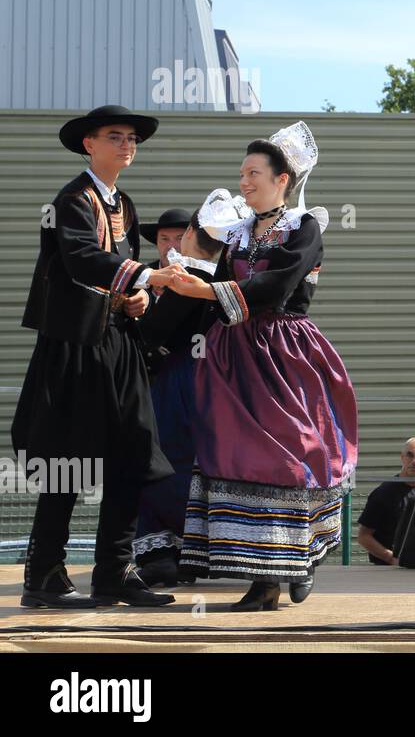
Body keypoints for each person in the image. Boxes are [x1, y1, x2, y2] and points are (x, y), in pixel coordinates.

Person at [170, 122, 358, 611]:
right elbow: (209, 272)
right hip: (234, 356)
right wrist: (182, 278)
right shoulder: (235, 232)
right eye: (242, 173)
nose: (244, 181)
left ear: (283, 178)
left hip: (284, 353)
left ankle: (294, 559)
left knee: (291, 452)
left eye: (254, 172)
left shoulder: (305, 228)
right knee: (236, 453)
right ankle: (266, 575)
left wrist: (207, 289)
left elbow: (276, 287)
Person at [13, 105, 186, 609]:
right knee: (69, 459)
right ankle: (43, 572)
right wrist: (146, 277)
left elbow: (119, 272)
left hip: (117, 341)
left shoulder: (124, 203)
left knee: (135, 452)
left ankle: (115, 572)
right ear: (89, 144)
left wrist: (139, 299)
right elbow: (82, 259)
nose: (127, 144)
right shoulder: (71, 199)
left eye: (132, 138)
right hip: (74, 345)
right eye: (116, 137)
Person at [133, 211, 225, 587]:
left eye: (177, 237)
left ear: (190, 235)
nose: (171, 246)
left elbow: (152, 333)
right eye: (163, 239)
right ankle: (182, 552)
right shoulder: (224, 278)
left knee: (166, 462)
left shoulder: (193, 276)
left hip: (182, 379)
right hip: (196, 381)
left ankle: (169, 554)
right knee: (185, 462)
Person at [358, 437, 415, 565]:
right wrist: (391, 558)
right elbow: (364, 536)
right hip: (387, 571)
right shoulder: (383, 493)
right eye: (409, 455)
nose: (414, 461)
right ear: (402, 457)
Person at [140, 208, 189, 300]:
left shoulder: (202, 276)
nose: (171, 246)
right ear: (157, 242)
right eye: (165, 239)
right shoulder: (143, 275)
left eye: (180, 238)